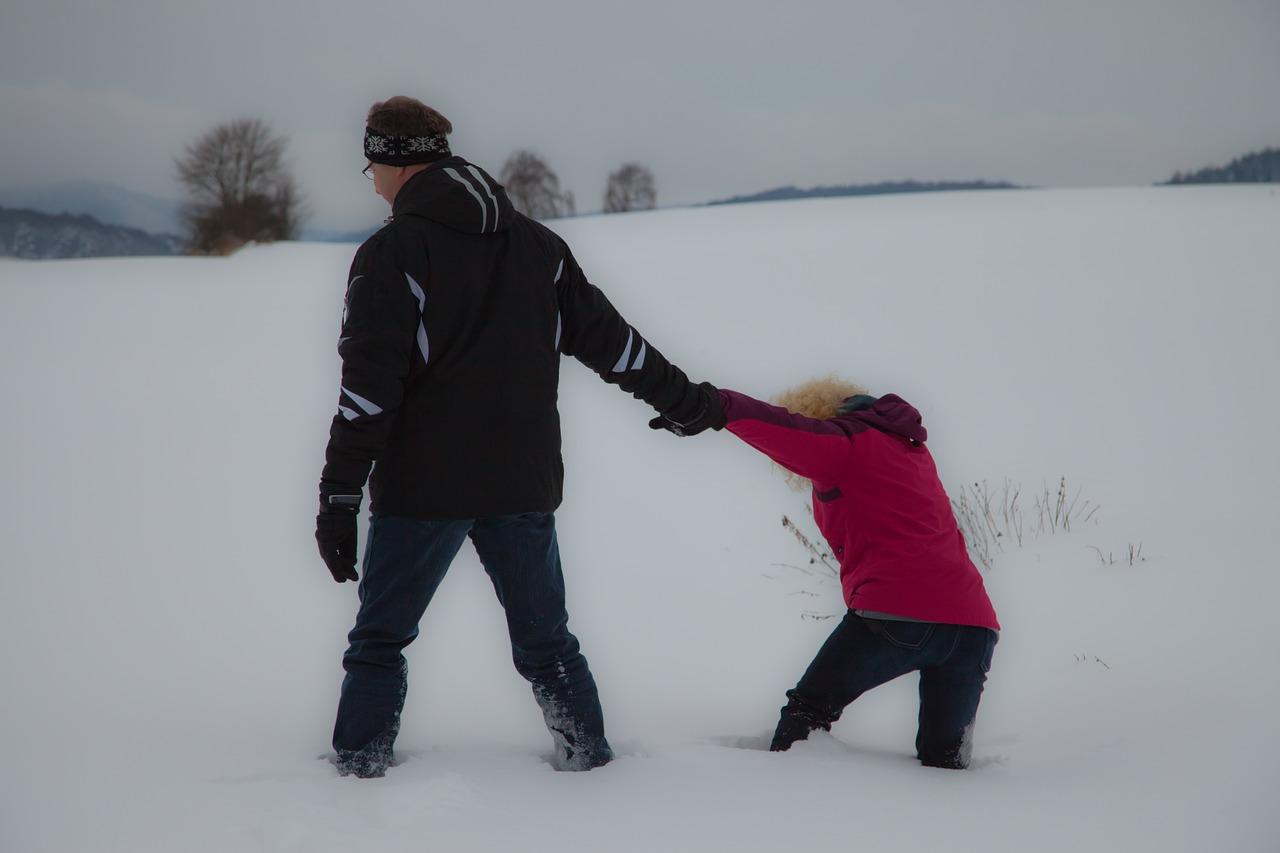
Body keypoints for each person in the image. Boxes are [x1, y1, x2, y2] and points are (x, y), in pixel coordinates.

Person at [315, 96, 720, 778]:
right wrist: (684, 401)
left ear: (395, 162)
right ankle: (589, 763)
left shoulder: (393, 254)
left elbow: (366, 394)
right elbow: (614, 345)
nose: (373, 183)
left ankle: (356, 770)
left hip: (424, 490)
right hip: (521, 481)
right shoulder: (538, 246)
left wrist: (338, 496)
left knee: (380, 640)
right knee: (548, 643)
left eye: (371, 168)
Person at [650, 376, 1000, 769]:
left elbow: (779, 429)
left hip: (897, 616)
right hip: (974, 627)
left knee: (807, 712)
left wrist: (714, 404)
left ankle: (793, 805)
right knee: (945, 762)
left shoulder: (847, 444)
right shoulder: (912, 450)